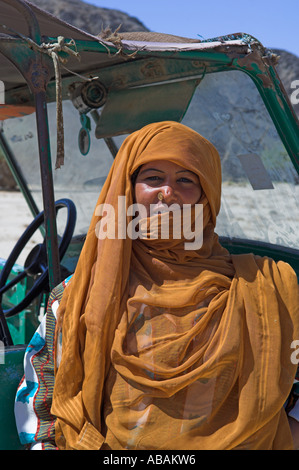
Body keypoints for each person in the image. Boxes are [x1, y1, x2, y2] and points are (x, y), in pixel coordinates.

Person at [15, 121, 299, 450]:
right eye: (153, 179)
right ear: (128, 190)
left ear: (207, 195)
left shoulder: (263, 289)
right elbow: (42, 404)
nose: (168, 192)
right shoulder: (76, 298)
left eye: (185, 180)